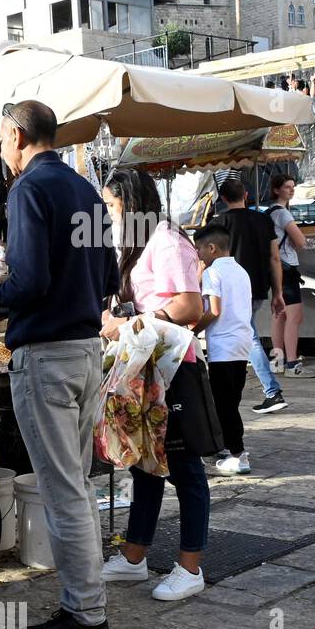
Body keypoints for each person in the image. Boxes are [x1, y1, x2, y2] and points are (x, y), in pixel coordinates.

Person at [0, 100, 118, 629]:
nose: (0, 150)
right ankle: (86, 607)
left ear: (18, 135)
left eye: (1, 138)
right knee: (75, 484)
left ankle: (85, 617)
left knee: (64, 490)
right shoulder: (85, 190)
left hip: (48, 355)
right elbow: (109, 273)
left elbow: (29, 280)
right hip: (85, 349)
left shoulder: (29, 188)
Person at [99, 169, 209, 602]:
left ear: (131, 200)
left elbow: (189, 305)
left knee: (184, 467)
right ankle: (134, 556)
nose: (108, 214)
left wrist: (131, 322)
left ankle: (190, 566)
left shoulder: (166, 239)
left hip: (174, 368)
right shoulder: (134, 243)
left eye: (111, 205)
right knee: (144, 463)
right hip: (145, 370)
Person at [211, 178, 286, 414]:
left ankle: (272, 391)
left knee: (248, 336)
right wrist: (278, 293)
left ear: (222, 199)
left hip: (231, 289)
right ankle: (248, 386)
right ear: (245, 194)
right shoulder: (263, 220)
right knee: (244, 334)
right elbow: (275, 258)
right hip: (258, 287)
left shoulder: (219, 222)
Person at [195, 225, 253, 475]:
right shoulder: (241, 271)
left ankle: (238, 454)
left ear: (212, 248)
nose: (198, 254)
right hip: (242, 343)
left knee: (224, 403)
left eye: (198, 248)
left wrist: (193, 329)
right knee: (232, 400)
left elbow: (213, 310)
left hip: (222, 346)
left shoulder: (213, 272)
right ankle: (224, 446)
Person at [267, 174, 313, 379]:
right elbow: (301, 241)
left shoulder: (269, 212)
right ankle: (293, 364)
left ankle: (277, 361)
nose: (291, 190)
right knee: (295, 317)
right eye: (287, 187)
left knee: (280, 315)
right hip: (287, 269)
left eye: (293, 186)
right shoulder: (283, 214)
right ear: (277, 190)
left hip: (275, 269)